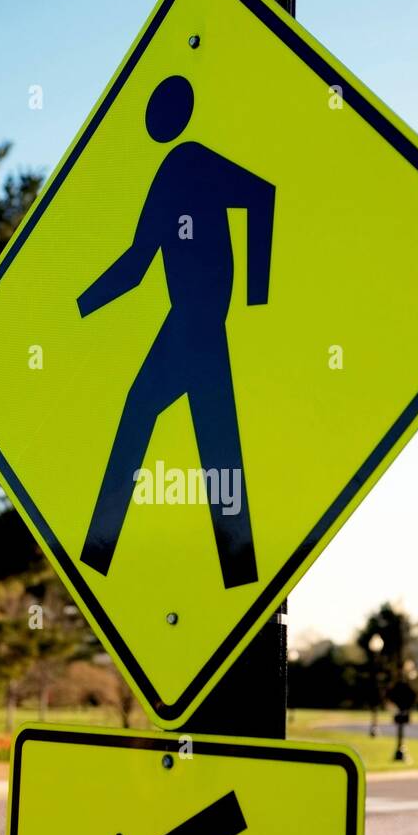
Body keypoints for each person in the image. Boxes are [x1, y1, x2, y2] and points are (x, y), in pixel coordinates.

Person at [77, 74, 274, 589]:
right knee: (213, 442)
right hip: (186, 318)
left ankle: (101, 548)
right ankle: (237, 569)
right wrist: (78, 307)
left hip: (201, 320)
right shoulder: (168, 172)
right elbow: (137, 264)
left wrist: (256, 295)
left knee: (165, 421)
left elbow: (261, 196)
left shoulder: (191, 160)